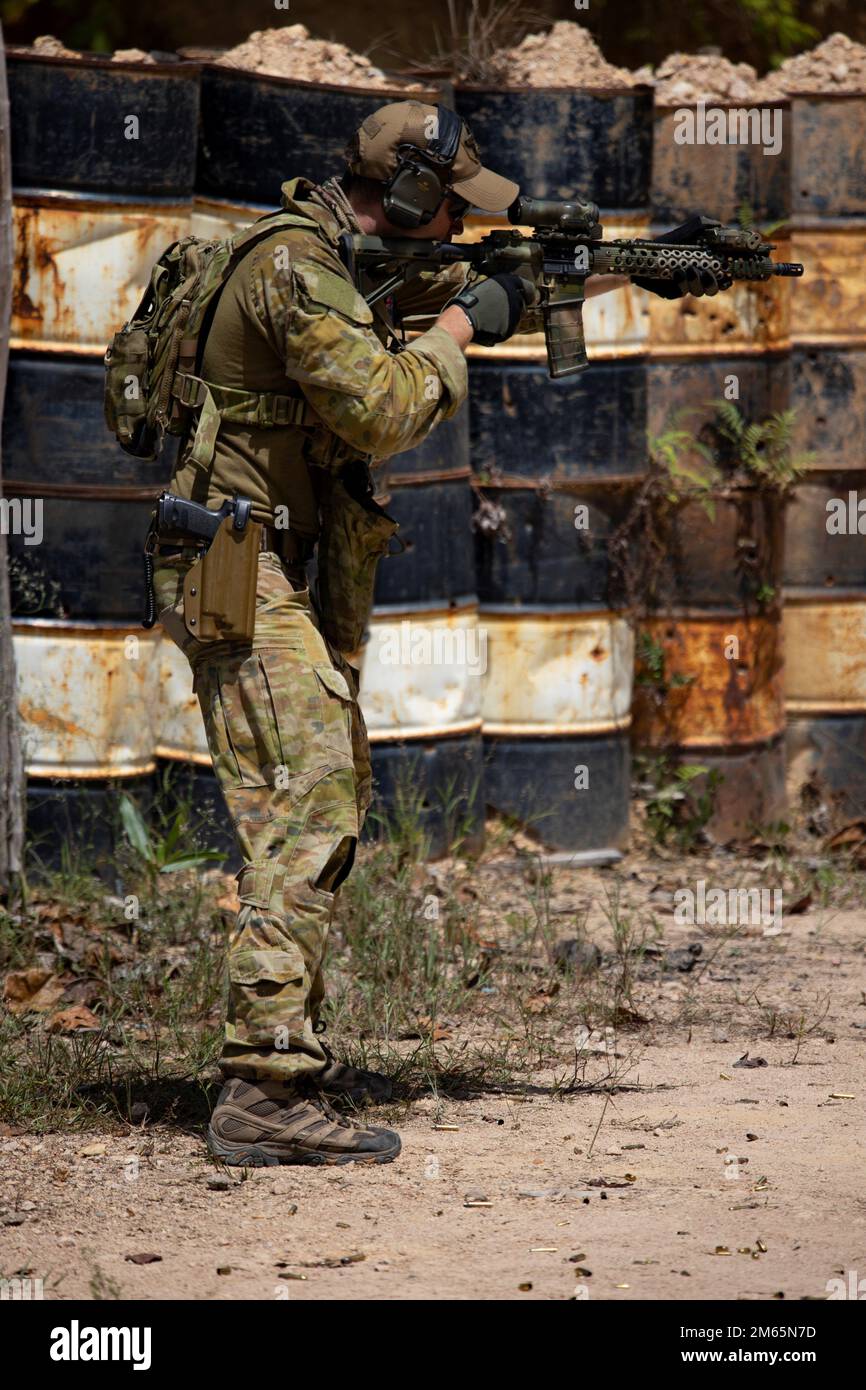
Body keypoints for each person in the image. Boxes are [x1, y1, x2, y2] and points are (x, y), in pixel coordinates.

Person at [151, 100, 717, 1167]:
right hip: (230, 558)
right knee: (308, 795)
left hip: (268, 557)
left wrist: (624, 266)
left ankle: (277, 1065)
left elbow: (469, 279)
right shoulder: (293, 270)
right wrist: (466, 325)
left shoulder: (350, 254)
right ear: (405, 194)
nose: (455, 229)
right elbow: (379, 405)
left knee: (320, 795)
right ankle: (263, 1087)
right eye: (446, 208)